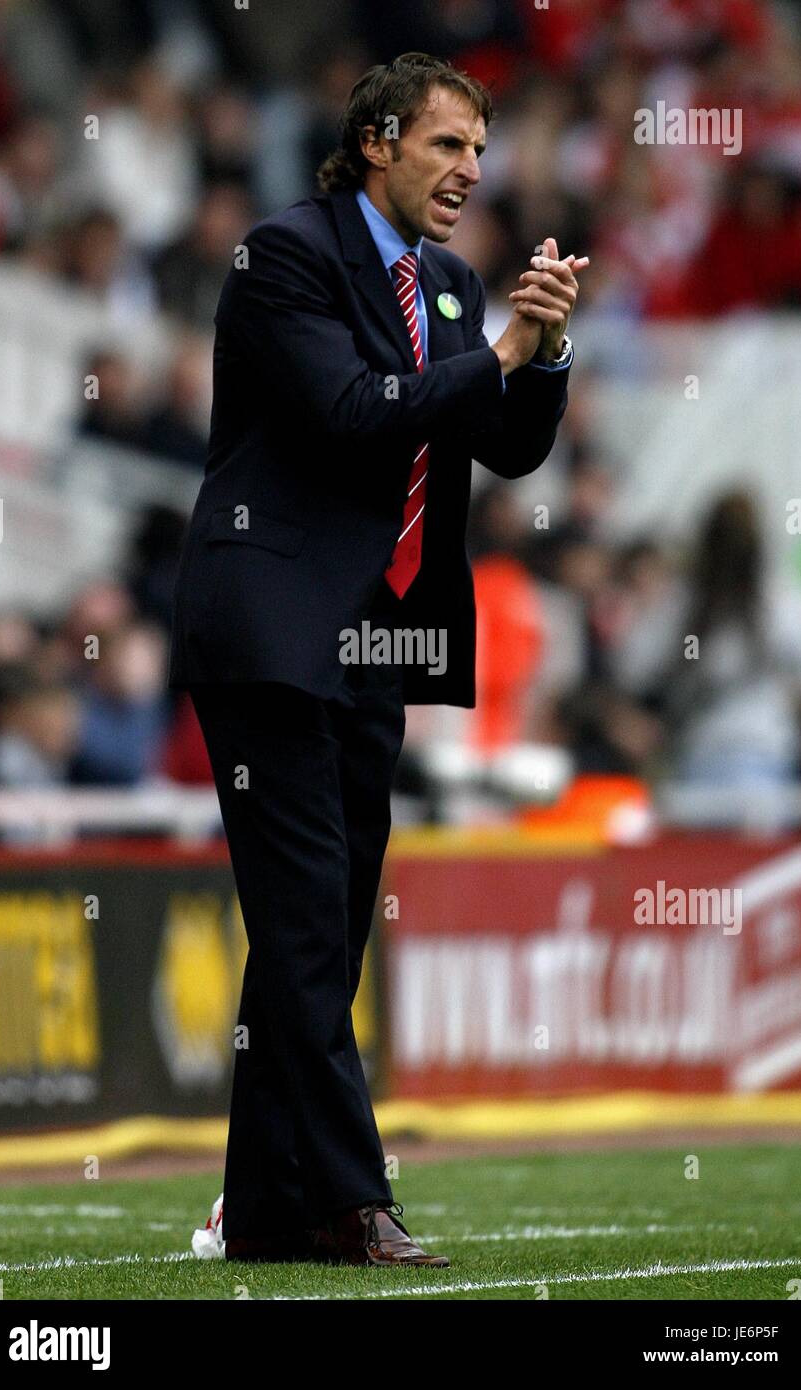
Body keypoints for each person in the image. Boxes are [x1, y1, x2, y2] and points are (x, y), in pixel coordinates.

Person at [168, 51, 587, 1267]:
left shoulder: (448, 284)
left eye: (480, 149)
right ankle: (354, 1201)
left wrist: (542, 353)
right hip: (269, 629)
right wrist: (498, 353)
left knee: (323, 931)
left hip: (376, 638)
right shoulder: (283, 256)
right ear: (377, 140)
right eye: (448, 144)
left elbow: (499, 445)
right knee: (305, 925)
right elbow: (354, 410)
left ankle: (262, 1208)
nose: (470, 170)